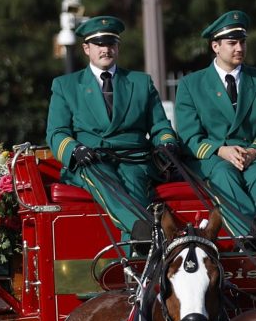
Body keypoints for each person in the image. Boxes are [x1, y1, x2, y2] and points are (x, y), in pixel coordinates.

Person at [46, 15, 184, 240]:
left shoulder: (141, 82)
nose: (105, 50)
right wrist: (74, 149)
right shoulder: (65, 86)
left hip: (135, 159)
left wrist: (166, 143)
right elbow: (56, 132)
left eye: (110, 44)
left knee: (134, 184)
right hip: (91, 160)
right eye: (99, 44)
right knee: (100, 175)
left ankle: (137, 260)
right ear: (86, 48)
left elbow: (159, 125)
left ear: (117, 47)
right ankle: (144, 230)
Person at [171, 10, 256, 237]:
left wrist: (253, 151)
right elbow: (189, 137)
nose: (239, 48)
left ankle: (255, 239)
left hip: (255, 156)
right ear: (215, 47)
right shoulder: (191, 85)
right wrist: (221, 150)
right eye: (232, 43)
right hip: (213, 159)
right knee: (224, 175)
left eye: (242, 42)